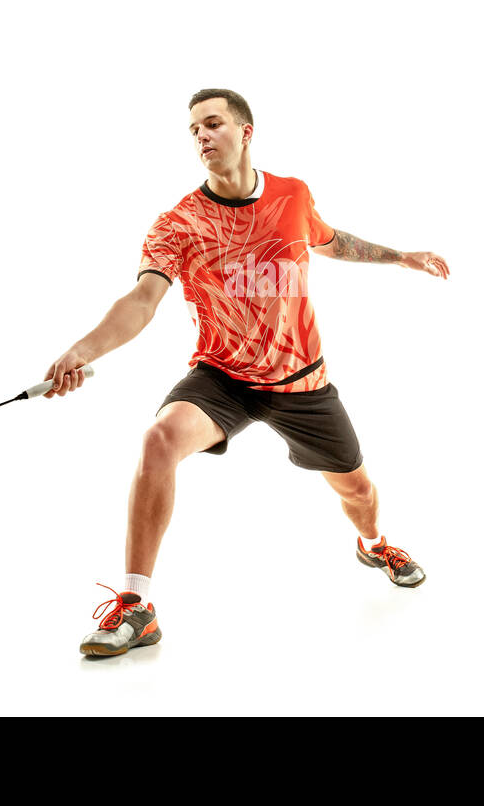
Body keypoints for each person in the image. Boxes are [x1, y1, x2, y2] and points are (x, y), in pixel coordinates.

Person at [43, 89, 450, 657]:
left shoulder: (292, 195)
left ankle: (374, 544)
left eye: (212, 123)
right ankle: (137, 607)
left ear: (246, 131)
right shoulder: (178, 224)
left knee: (358, 491)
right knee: (158, 439)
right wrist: (83, 350)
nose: (202, 135)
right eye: (193, 130)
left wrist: (399, 256)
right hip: (223, 378)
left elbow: (332, 241)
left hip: (302, 383)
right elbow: (142, 300)